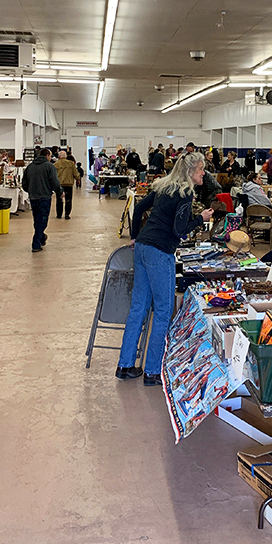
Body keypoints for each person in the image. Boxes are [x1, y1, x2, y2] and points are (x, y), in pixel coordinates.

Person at [116, 153, 213, 385]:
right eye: (201, 169)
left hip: (142, 247)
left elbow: (139, 208)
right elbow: (179, 230)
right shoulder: (185, 193)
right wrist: (200, 219)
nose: (203, 173)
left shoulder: (163, 187)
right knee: (162, 311)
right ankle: (152, 371)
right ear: (190, 171)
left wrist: (135, 236)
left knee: (138, 308)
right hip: (160, 252)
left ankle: (125, 365)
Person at [22, 148, 63, 252]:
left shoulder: (30, 167)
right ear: (47, 156)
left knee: (37, 220)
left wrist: (30, 190)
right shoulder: (49, 166)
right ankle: (36, 244)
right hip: (44, 196)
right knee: (42, 220)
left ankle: (41, 238)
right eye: (50, 156)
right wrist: (59, 191)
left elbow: (24, 183)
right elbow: (54, 181)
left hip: (33, 197)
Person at [54, 150, 78, 220]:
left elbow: (53, 175)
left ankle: (59, 214)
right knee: (68, 199)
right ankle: (67, 214)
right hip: (68, 184)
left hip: (59, 184)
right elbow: (75, 173)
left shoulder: (55, 164)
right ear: (66, 156)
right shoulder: (71, 164)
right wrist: (78, 179)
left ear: (59, 156)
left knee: (59, 199)